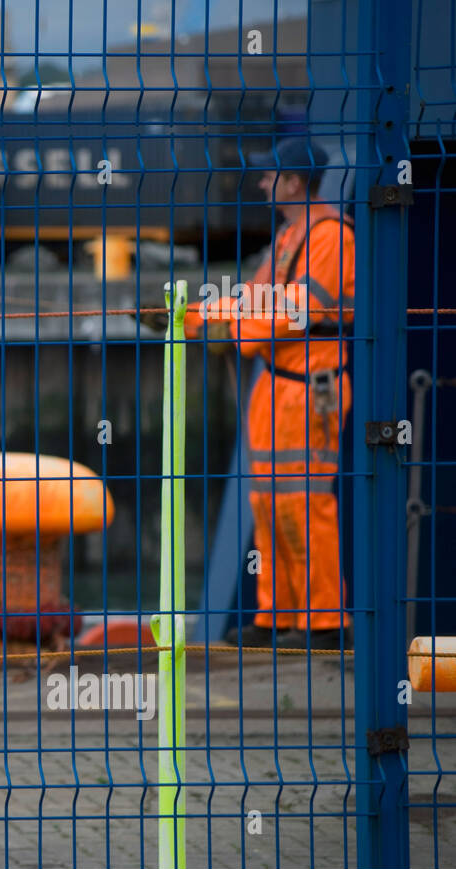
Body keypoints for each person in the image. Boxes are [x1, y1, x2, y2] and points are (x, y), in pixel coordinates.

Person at [176, 138, 354, 650]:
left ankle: (324, 623)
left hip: (307, 388)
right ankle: (275, 614)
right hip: (275, 387)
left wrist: (235, 331)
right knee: (268, 501)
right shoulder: (288, 238)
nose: (261, 182)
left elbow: (302, 311)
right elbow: (254, 298)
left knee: (306, 502)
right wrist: (198, 317)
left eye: (269, 174)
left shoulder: (331, 238)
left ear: (295, 182)